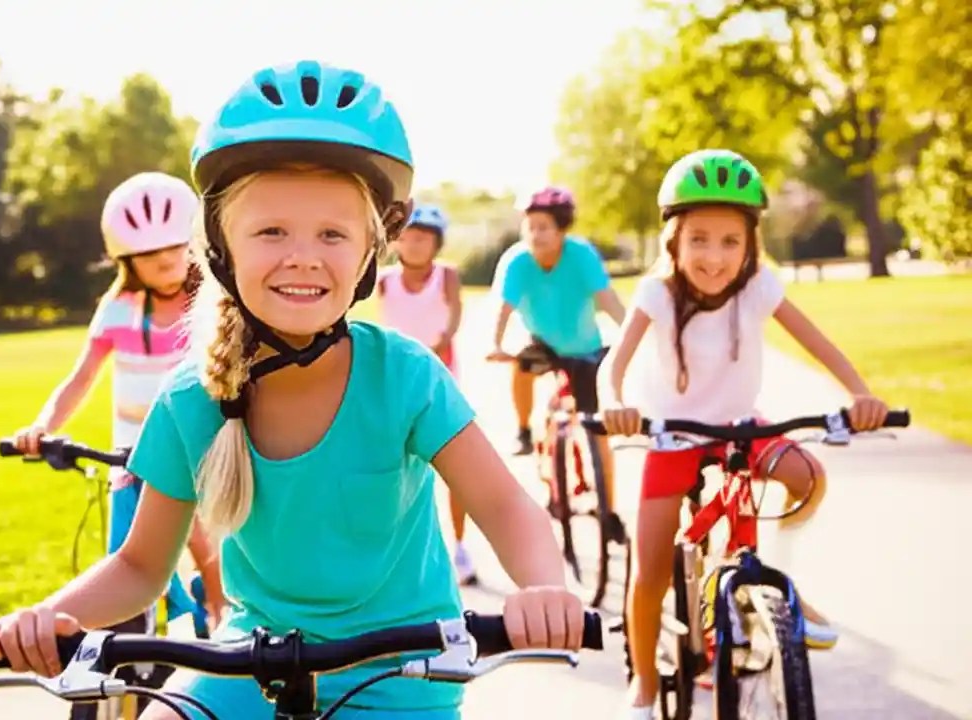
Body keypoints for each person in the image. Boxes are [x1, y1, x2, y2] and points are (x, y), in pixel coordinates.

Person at [0, 59, 585, 719]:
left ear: (367, 254)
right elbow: (141, 566)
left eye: (333, 233)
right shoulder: (191, 399)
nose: (303, 255)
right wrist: (45, 619)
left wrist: (544, 589)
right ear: (220, 248)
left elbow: (501, 503)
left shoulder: (405, 376)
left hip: (403, 677)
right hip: (249, 665)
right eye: (271, 231)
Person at [597, 148, 889, 717]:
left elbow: (818, 342)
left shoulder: (758, 285)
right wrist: (614, 403)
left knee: (808, 477)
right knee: (650, 566)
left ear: (750, 244)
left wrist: (858, 392)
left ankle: (783, 589)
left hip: (738, 429)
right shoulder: (657, 292)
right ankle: (644, 687)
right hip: (673, 436)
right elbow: (616, 363)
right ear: (674, 241)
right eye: (699, 239)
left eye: (731, 241)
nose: (714, 256)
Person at [8, 171, 224, 636]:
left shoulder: (211, 306)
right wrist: (42, 425)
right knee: (122, 564)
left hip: (201, 454)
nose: (165, 260)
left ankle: (219, 611)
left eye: (174, 247)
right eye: (149, 253)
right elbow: (82, 376)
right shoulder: (118, 309)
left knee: (213, 560)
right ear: (127, 259)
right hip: (131, 460)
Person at [486, 186, 626, 517]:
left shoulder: (582, 255)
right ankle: (522, 429)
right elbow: (503, 309)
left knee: (597, 428)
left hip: (586, 349)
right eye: (530, 226)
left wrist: (629, 335)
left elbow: (608, 300)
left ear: (562, 229)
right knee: (521, 364)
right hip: (543, 345)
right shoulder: (517, 261)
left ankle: (609, 509)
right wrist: (496, 343)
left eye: (544, 226)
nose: (535, 234)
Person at [376, 203, 476, 584]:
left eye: (424, 238)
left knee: (454, 466)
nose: (415, 244)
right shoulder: (385, 279)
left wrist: (440, 341)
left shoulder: (446, 275)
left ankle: (461, 545)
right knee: (395, 466)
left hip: (440, 377)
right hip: (395, 381)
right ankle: (395, 552)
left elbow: (453, 315)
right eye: (407, 236)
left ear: (436, 243)